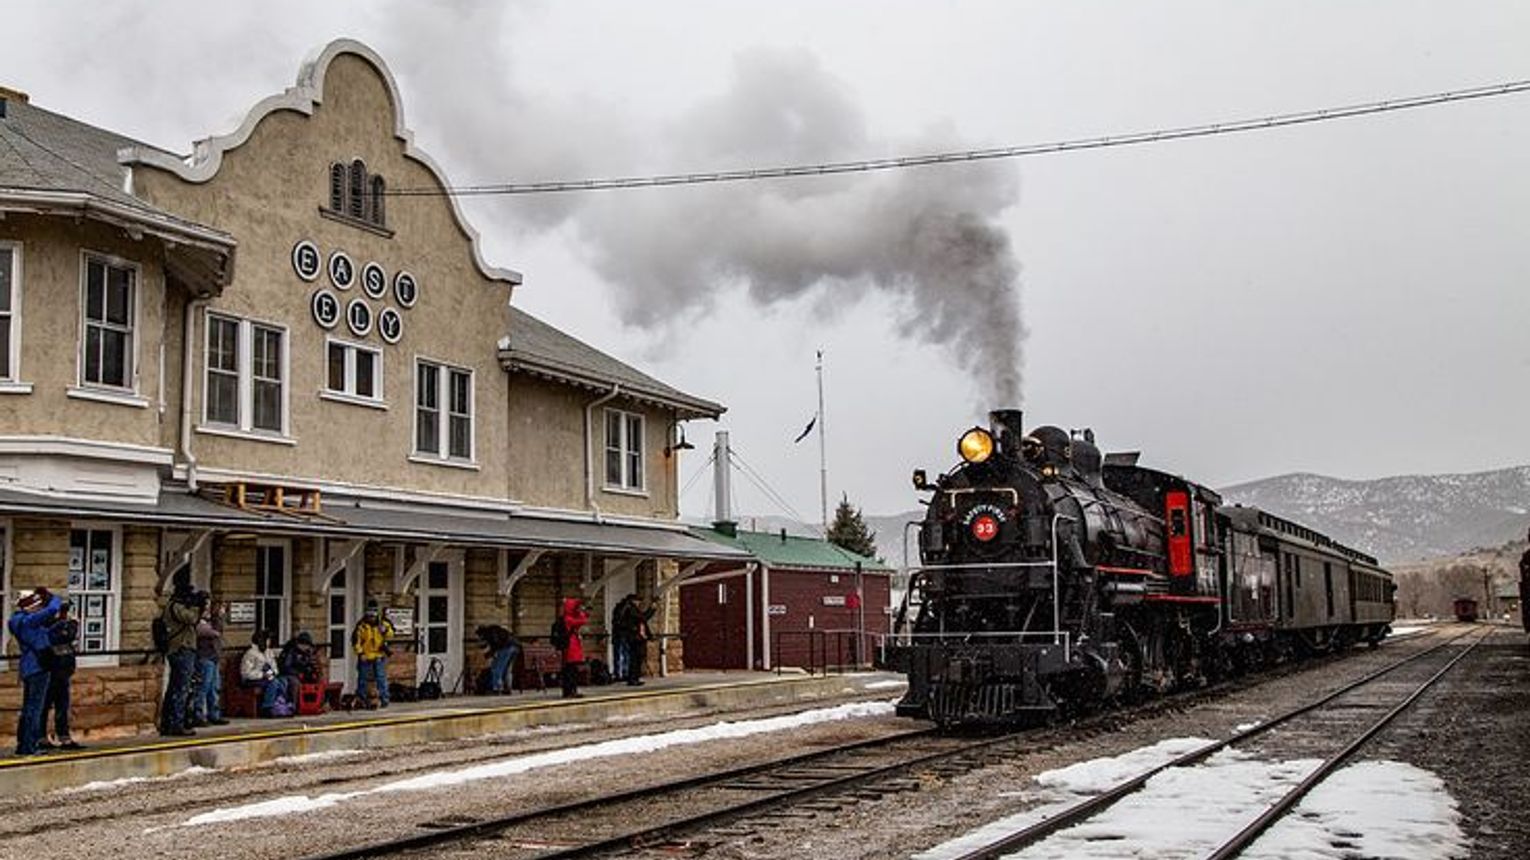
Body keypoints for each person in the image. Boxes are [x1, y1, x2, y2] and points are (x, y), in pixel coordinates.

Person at [8, 588, 62, 756]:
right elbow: (53, 608)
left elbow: (43, 634)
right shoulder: (30, 621)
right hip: (38, 666)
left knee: (27, 709)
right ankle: (30, 746)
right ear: (30, 606)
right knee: (35, 708)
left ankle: (22, 744)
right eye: (37, 605)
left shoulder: (16, 620)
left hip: (27, 667)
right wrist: (53, 597)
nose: (39, 608)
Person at [158, 564, 206, 737]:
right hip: (180, 649)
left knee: (175, 688)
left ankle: (169, 722)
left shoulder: (178, 605)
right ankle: (175, 723)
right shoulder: (175, 606)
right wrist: (196, 606)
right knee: (180, 688)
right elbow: (192, 619)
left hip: (183, 650)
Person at [41, 600, 81, 750]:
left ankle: (63, 736)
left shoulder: (60, 624)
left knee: (62, 706)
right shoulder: (50, 626)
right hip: (51, 670)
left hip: (63, 671)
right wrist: (73, 624)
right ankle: (41, 737)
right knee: (44, 706)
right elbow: (66, 636)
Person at [192, 600, 229, 727]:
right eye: (206, 607)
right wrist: (218, 617)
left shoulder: (209, 622)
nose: (208, 610)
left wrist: (218, 617)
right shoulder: (199, 623)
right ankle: (198, 714)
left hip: (213, 658)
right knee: (203, 687)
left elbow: (219, 632)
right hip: (204, 657)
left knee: (214, 688)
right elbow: (215, 632)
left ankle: (214, 714)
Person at [353, 600, 394, 709]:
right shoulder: (361, 625)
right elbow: (355, 641)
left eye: (373, 614)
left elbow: (391, 633)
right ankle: (361, 698)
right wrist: (360, 653)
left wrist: (385, 631)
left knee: (381, 679)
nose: (372, 617)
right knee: (362, 679)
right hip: (366, 656)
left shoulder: (383, 623)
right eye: (370, 614)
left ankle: (384, 699)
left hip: (379, 656)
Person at [239, 630, 286, 716]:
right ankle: (267, 707)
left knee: (283, 681)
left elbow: (274, 666)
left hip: (267, 676)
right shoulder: (250, 654)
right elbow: (246, 673)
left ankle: (280, 704)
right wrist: (262, 675)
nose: (269, 642)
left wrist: (273, 672)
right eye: (268, 640)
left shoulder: (268, 652)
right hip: (252, 680)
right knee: (273, 683)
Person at [610, 594, 654, 687]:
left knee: (637, 658)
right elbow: (643, 618)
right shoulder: (630, 609)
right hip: (634, 637)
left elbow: (642, 621)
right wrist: (652, 609)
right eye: (638, 601)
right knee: (634, 658)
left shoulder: (631, 609)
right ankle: (631, 678)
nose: (639, 603)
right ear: (633, 600)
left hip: (637, 637)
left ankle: (634, 677)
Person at [558, 597, 590, 699]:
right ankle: (570, 691)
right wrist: (581, 612)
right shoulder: (568, 619)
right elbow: (583, 620)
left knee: (571, 670)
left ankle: (571, 690)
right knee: (570, 670)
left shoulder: (567, 618)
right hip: (571, 647)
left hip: (572, 646)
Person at [476, 624, 520, 694]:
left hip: (506, 648)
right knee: (507, 669)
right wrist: (490, 653)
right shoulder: (494, 630)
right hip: (515, 647)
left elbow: (496, 644)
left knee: (496, 668)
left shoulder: (489, 633)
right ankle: (507, 688)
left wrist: (489, 654)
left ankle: (496, 688)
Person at [278, 631, 322, 698]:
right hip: (288, 675)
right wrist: (298, 673)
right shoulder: (290, 651)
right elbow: (285, 667)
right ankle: (293, 704)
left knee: (316, 682)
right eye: (306, 645)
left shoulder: (306, 653)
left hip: (301, 674)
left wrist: (312, 670)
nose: (307, 648)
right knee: (295, 683)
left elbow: (308, 665)